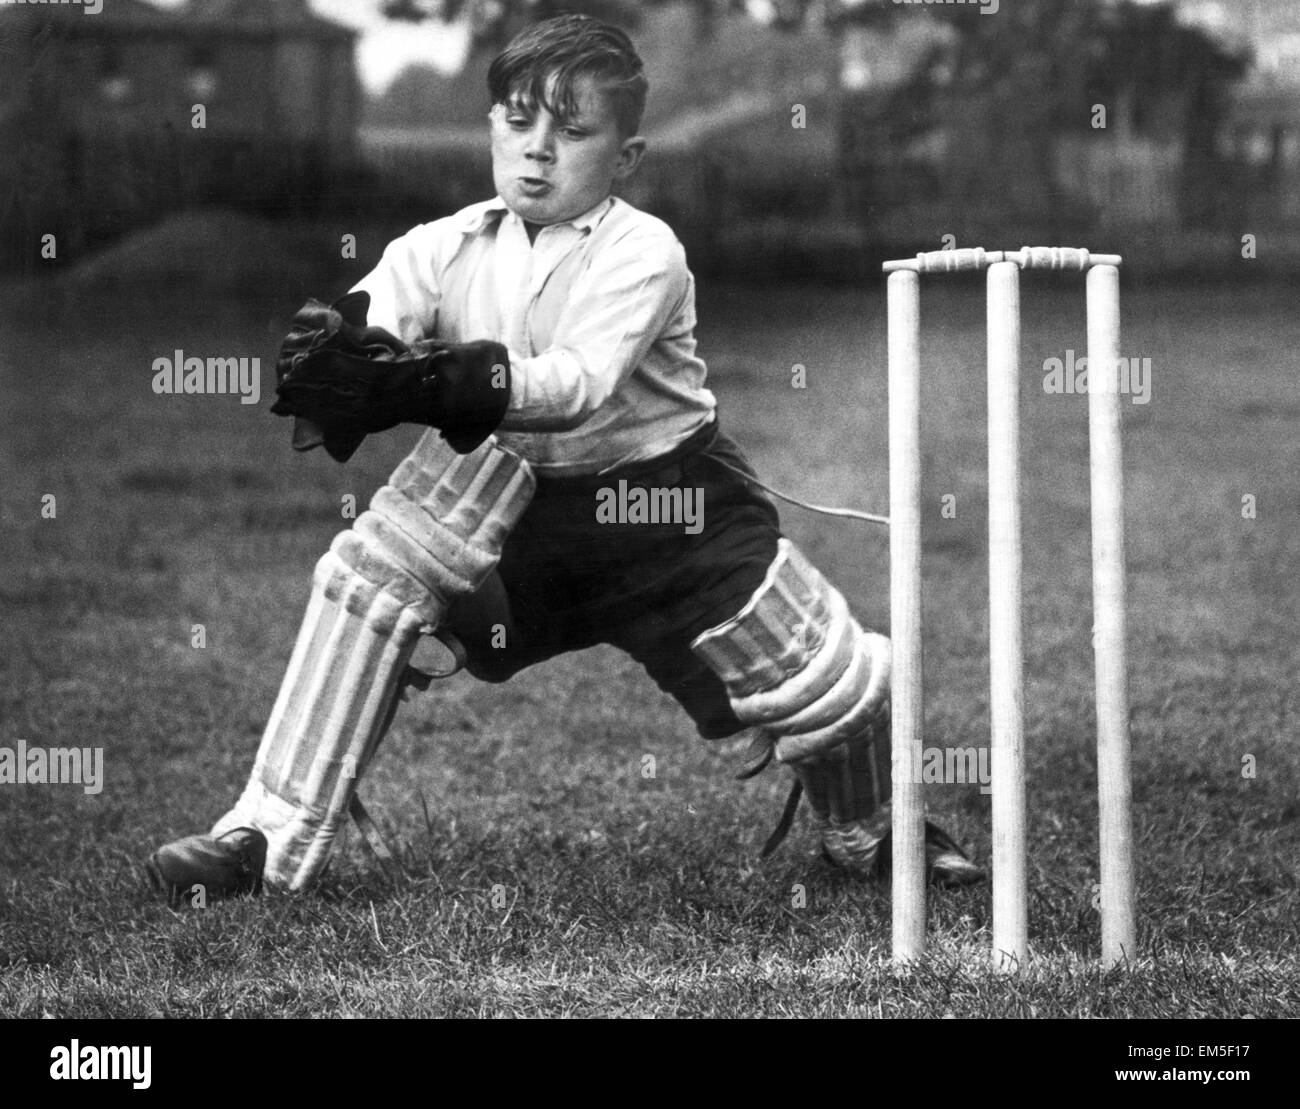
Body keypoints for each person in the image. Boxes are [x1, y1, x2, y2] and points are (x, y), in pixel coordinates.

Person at [147, 14, 981, 907]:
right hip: (516, 520)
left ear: (625, 156)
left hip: (674, 519)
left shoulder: (645, 249)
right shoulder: (443, 245)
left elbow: (578, 382)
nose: (537, 151)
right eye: (516, 120)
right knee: (369, 576)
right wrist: (338, 351)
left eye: (572, 131)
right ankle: (260, 842)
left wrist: (425, 382)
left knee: (833, 684)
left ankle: (871, 831)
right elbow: (376, 318)